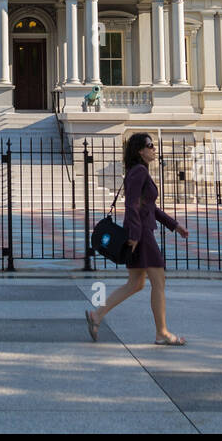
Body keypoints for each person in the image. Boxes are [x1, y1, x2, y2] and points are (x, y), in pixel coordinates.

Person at [86, 132, 188, 345]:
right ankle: (162, 333)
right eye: (150, 145)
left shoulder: (138, 172)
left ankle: (97, 315)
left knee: (135, 283)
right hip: (141, 235)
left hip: (140, 232)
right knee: (158, 281)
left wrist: (175, 226)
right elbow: (131, 204)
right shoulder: (139, 172)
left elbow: (149, 207)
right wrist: (133, 236)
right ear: (139, 150)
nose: (154, 148)